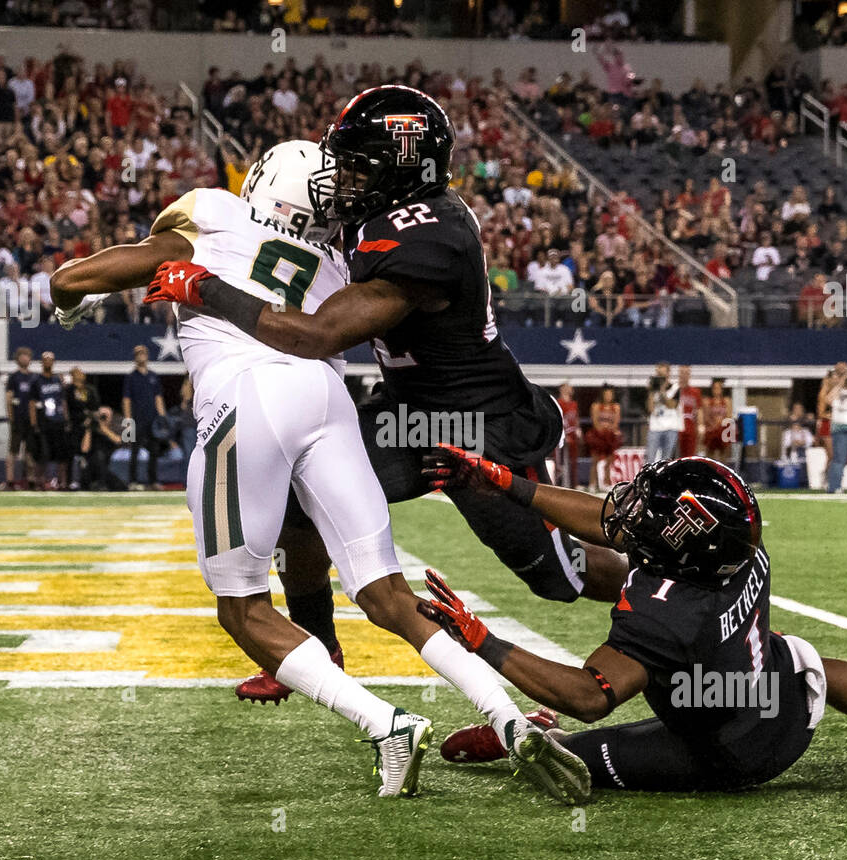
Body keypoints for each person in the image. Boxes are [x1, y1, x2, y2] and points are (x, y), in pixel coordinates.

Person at [49, 139, 581, 798]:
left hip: (248, 402)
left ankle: (383, 721)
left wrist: (70, 307)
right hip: (328, 401)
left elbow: (70, 278)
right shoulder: (338, 262)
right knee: (386, 593)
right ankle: (505, 716)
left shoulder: (208, 222)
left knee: (241, 610)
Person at [144, 86, 630, 706]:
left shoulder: (430, 233)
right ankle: (315, 648)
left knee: (560, 577)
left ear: (401, 167)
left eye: (357, 164)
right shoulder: (381, 210)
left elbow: (318, 335)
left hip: (482, 426)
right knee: (299, 495)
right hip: (411, 414)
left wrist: (205, 288)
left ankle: (663, 569)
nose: (342, 177)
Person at [421, 451, 847, 793]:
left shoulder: (666, 610)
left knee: (567, 760)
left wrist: (481, 639)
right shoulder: (739, 554)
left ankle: (527, 732)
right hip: (781, 699)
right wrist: (507, 484)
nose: (631, 510)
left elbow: (591, 696)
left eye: (650, 514)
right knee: (807, 659)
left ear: (682, 548)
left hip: (724, 749)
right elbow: (612, 522)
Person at [122, 344, 165, 491]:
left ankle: (153, 480)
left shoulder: (153, 376)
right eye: (138, 353)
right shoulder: (130, 377)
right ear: (135, 357)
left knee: (154, 450)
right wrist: (128, 420)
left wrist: (162, 417)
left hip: (152, 419)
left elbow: (158, 398)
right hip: (137, 419)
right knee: (134, 451)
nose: (141, 355)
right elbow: (126, 399)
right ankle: (133, 481)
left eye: (143, 353)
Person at [29, 351, 70, 491]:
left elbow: (63, 400)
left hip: (58, 420)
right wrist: (34, 423)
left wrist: (66, 418)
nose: (48, 362)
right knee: (43, 453)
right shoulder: (36, 381)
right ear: (42, 362)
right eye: (45, 360)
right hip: (44, 421)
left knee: (61, 454)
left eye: (50, 360)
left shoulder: (58, 380)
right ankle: (40, 481)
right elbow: (32, 403)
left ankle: (61, 482)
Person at [2, 346, 38, 490]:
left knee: (30, 452)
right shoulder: (14, 377)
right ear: (17, 359)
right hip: (18, 419)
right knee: (13, 451)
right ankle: (10, 480)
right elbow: (8, 398)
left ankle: (30, 480)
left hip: (31, 420)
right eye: (22, 356)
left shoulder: (34, 378)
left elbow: (36, 400)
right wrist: (11, 417)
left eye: (27, 356)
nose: (25, 358)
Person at [66, 367, 99, 491]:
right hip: (73, 427)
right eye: (75, 373)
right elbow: (65, 407)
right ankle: (70, 481)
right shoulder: (69, 390)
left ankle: (87, 481)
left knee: (87, 454)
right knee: (72, 455)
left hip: (87, 427)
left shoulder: (90, 390)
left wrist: (89, 419)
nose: (79, 375)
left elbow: (95, 408)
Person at [585, 386, 622, 491]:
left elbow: (616, 422)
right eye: (607, 394)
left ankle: (606, 483)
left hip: (610, 436)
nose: (608, 396)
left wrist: (609, 429)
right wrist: (602, 429)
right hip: (598, 435)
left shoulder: (616, 407)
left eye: (610, 394)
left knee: (609, 461)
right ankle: (592, 484)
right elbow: (595, 421)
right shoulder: (596, 406)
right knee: (595, 460)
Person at [83, 406, 127, 491]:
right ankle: (99, 484)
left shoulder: (114, 427)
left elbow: (118, 440)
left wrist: (103, 428)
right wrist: (88, 429)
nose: (103, 418)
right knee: (98, 456)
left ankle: (101, 484)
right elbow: (85, 449)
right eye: (102, 415)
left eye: (106, 416)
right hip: (91, 465)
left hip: (106, 467)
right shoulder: (93, 430)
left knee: (121, 486)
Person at [645, 362, 681, 462]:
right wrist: (651, 392)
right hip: (655, 427)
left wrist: (662, 391)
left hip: (670, 427)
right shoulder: (653, 390)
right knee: (650, 458)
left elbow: (672, 405)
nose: (660, 377)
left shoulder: (675, 387)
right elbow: (650, 408)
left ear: (668, 373)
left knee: (666, 460)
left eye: (662, 374)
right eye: (658, 374)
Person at [699, 379, 732, 461]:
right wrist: (714, 425)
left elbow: (729, 416)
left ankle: (723, 469)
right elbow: (706, 417)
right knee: (710, 451)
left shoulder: (726, 401)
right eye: (715, 388)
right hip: (712, 429)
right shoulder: (707, 401)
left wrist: (720, 423)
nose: (716, 390)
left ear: (722, 390)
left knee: (724, 450)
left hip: (722, 428)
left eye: (718, 388)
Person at [555, 382, 580, 489]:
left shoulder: (573, 404)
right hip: (563, 434)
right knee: (560, 461)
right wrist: (563, 434)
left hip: (572, 433)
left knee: (573, 460)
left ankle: (573, 484)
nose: (571, 389)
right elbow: (559, 419)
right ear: (562, 389)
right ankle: (559, 483)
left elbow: (576, 417)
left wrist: (579, 429)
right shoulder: (558, 403)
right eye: (567, 387)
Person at [676, 365, 701, 457]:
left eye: (686, 373)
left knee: (690, 455)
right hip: (676, 427)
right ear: (679, 374)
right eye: (682, 373)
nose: (684, 375)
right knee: (676, 455)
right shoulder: (674, 390)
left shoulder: (695, 392)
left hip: (690, 427)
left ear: (689, 375)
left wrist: (700, 425)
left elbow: (699, 410)